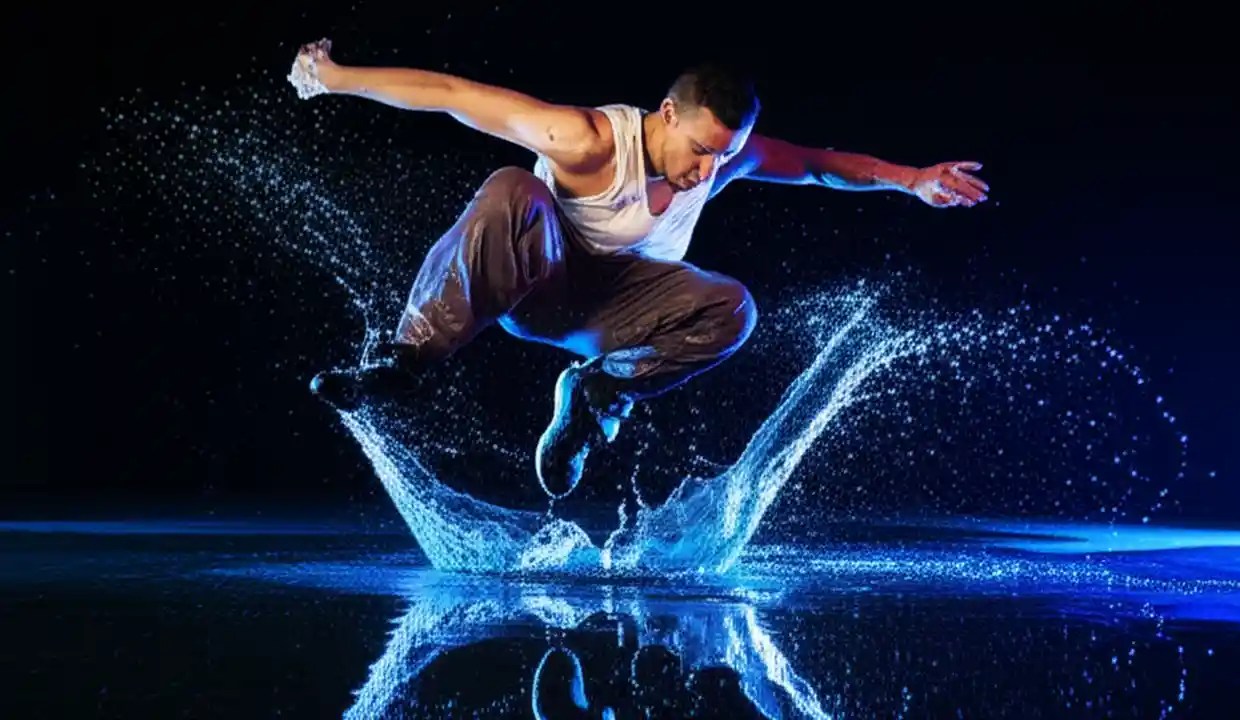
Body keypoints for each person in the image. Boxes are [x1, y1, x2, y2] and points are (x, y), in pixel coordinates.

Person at [287, 39, 989, 500]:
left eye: (726, 154)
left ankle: (596, 398)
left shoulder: (723, 159)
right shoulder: (586, 139)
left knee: (734, 307)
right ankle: (403, 363)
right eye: (701, 150)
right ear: (665, 115)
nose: (709, 170)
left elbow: (816, 166)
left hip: (617, 315)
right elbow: (449, 92)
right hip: (540, 285)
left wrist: (912, 178)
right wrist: (334, 77)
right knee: (513, 188)